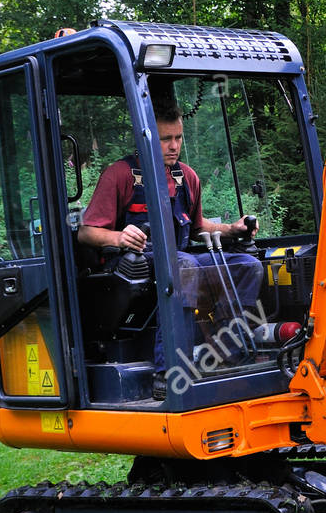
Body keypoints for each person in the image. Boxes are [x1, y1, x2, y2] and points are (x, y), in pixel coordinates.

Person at [77, 102, 263, 399]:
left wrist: (231, 229)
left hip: (178, 259)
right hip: (133, 264)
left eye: (178, 138)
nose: (174, 146)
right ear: (146, 137)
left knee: (246, 265)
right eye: (166, 139)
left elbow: (197, 227)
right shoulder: (120, 175)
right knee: (185, 265)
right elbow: (86, 233)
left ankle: (231, 355)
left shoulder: (187, 177)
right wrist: (119, 237)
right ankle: (169, 373)